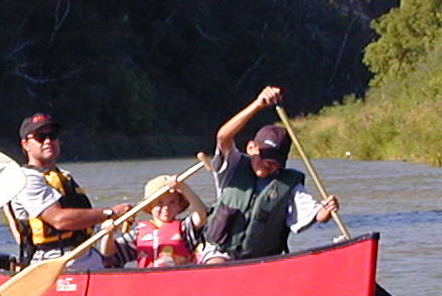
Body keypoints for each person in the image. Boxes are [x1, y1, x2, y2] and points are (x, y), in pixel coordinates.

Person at [199, 86, 339, 262]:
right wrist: (258, 105)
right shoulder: (232, 166)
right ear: (251, 148)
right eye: (264, 157)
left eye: (275, 161)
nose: (268, 164)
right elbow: (223, 137)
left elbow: (317, 215)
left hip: (263, 259)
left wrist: (327, 210)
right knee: (218, 265)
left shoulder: (289, 184)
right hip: (221, 252)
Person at [6, 113, 131, 269]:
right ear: (25, 145)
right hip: (52, 262)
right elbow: (59, 219)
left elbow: (84, 219)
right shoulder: (26, 179)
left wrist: (111, 224)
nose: (48, 141)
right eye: (40, 137)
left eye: (52, 135)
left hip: (85, 254)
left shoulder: (64, 176)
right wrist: (109, 212)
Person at [129, 171, 208, 267]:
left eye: (172, 202)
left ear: (179, 206)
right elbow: (112, 253)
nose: (166, 207)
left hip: (178, 275)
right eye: (159, 202)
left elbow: (202, 215)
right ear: (150, 207)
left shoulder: (184, 228)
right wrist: (111, 232)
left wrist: (183, 188)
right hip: (147, 275)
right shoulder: (137, 232)